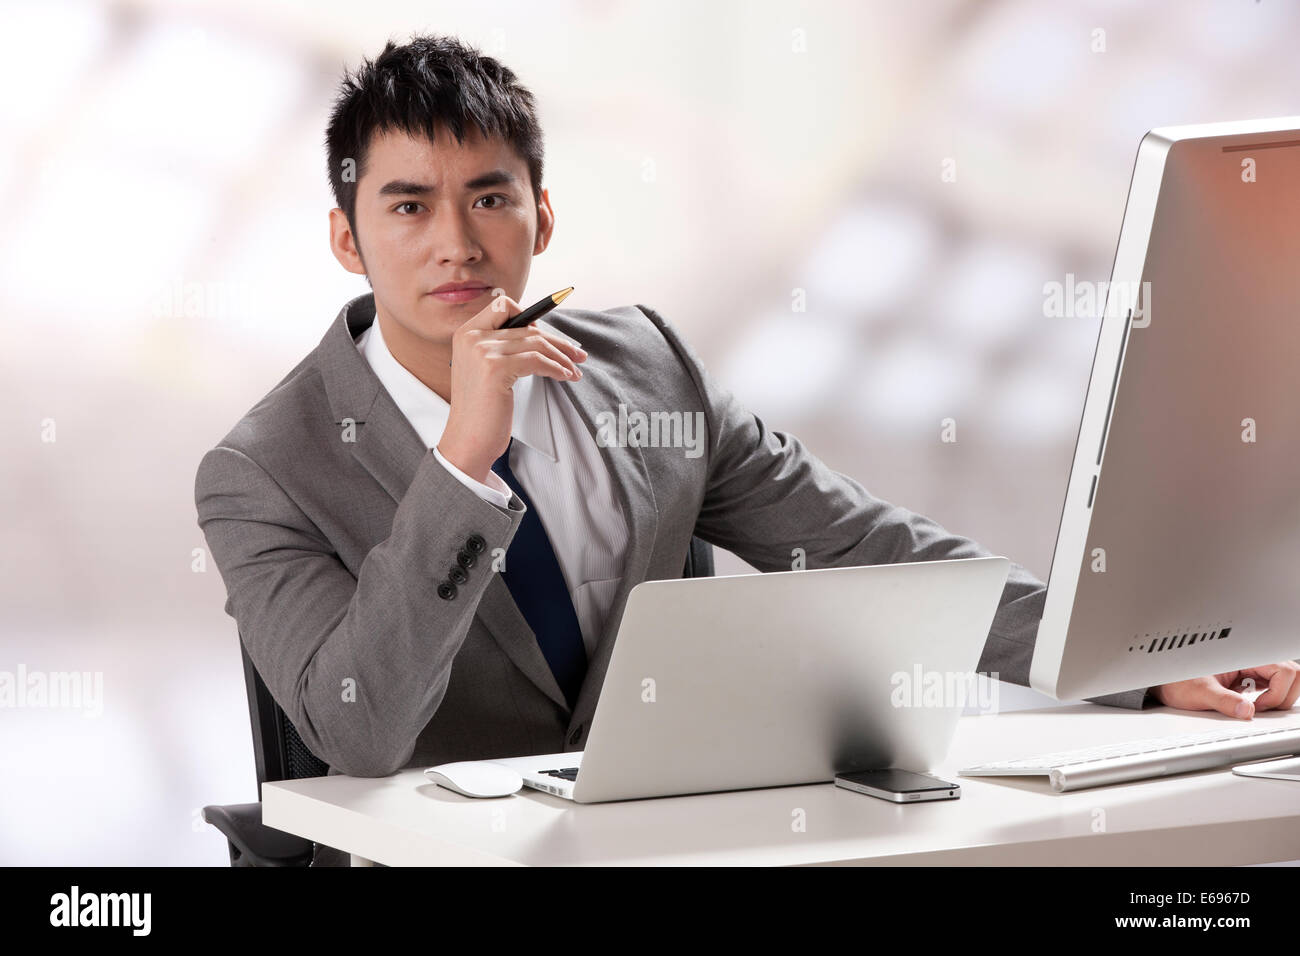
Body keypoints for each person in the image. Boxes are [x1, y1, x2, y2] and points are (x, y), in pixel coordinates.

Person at [194, 34, 1299, 866]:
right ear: (347, 237)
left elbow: (861, 543)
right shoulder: (264, 471)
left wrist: (1122, 668)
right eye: (408, 206)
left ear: (541, 214)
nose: (457, 241)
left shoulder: (647, 370)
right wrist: (461, 464)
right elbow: (356, 727)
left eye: (490, 196)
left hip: (675, 846)